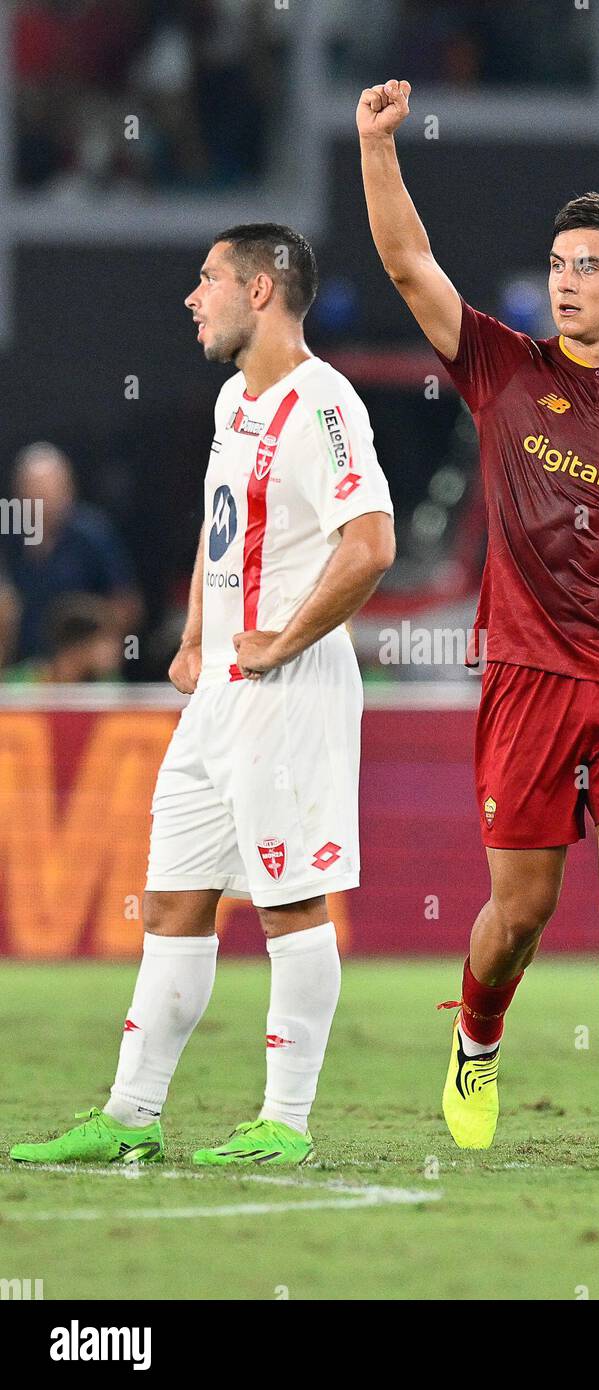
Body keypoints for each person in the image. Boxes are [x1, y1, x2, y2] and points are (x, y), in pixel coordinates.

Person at [358, 79, 599, 1155]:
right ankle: (474, 1037)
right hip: (523, 672)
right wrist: (377, 147)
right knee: (517, 907)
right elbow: (409, 264)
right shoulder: (501, 372)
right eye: (557, 265)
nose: (565, 282)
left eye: (587, 266)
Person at [10, 222, 395, 1168]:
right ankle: (132, 1116)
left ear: (260, 292)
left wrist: (285, 638)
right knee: (172, 900)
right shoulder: (234, 401)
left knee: (290, 903)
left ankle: (286, 1123)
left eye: (208, 278)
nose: (193, 297)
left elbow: (371, 542)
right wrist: (194, 636)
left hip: (290, 687)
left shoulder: (325, 403)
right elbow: (220, 535)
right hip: (218, 691)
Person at [1, 442, 142, 665]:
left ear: (67, 489)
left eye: (48, 490)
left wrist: (90, 649)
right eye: (34, 491)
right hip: (27, 672)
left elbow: (127, 605)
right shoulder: (9, 540)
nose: (42, 500)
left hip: (85, 674)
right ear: (18, 493)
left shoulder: (93, 535)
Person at [2, 592, 122, 683]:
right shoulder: (20, 682)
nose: (116, 649)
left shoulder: (109, 686)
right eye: (106, 641)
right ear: (78, 646)